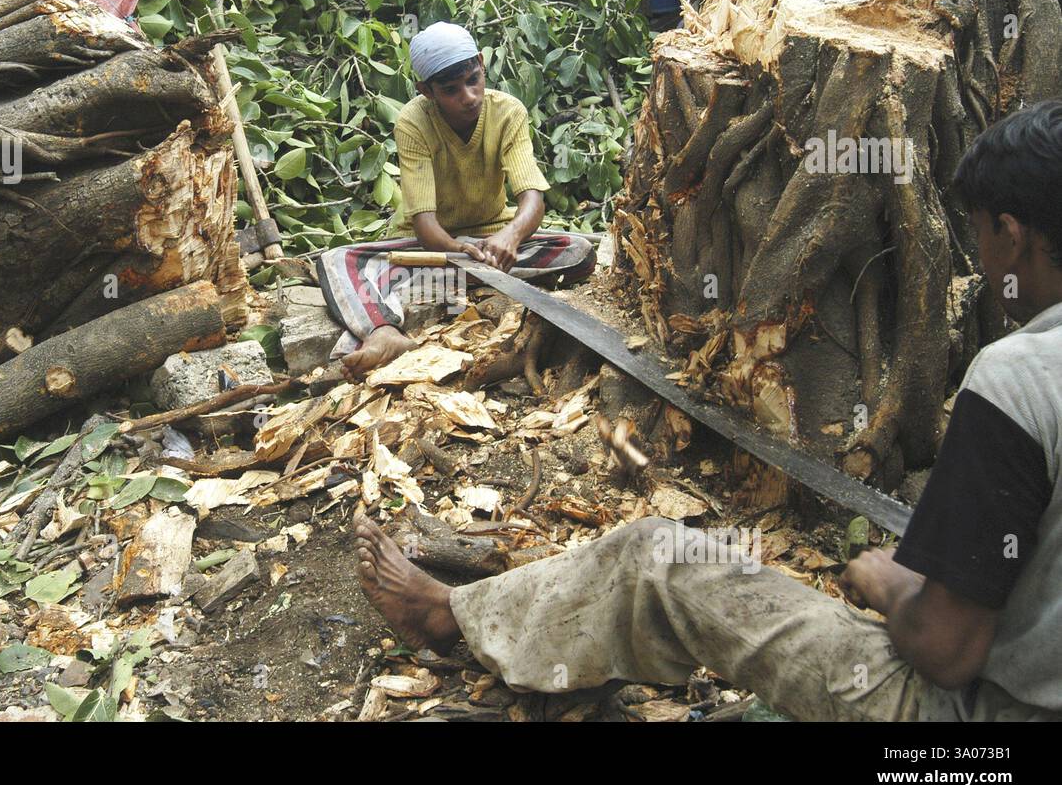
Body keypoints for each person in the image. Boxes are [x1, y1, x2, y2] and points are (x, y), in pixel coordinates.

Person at [355, 99, 1062, 721]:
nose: (981, 255)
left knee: (655, 559)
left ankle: (449, 617)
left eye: (982, 235)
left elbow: (946, 650)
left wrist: (894, 588)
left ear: (1014, 231)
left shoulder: (1016, 379)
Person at [317, 21, 595, 380]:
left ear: (481, 63)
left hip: (490, 241)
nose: (469, 96)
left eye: (473, 80)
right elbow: (425, 225)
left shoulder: (508, 112)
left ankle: (416, 287)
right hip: (433, 246)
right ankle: (384, 332)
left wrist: (509, 238)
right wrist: (460, 250)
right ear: (426, 91)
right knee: (338, 259)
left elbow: (533, 200)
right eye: (451, 90)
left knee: (577, 250)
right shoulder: (412, 123)